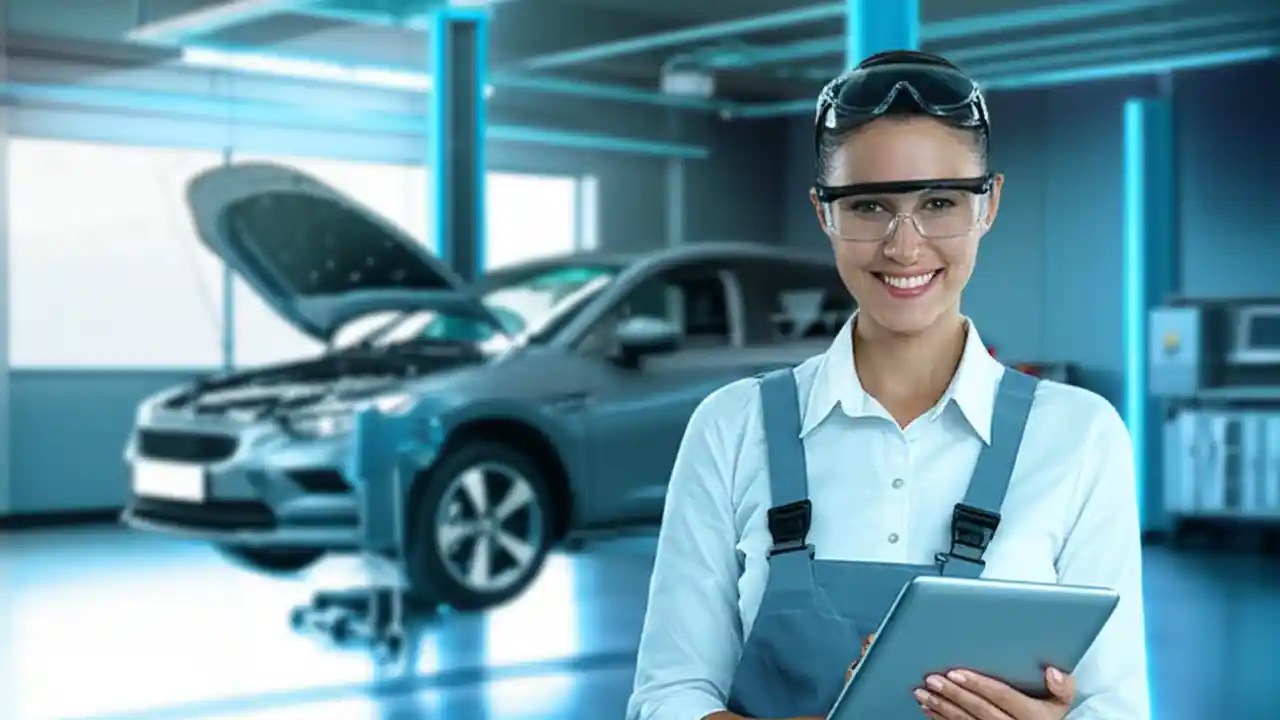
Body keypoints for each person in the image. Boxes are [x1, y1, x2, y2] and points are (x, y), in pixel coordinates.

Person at [625, 50, 1150, 720]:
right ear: (824, 212)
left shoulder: (1080, 436)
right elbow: (667, 696)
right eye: (869, 206)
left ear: (989, 204)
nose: (905, 247)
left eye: (939, 203)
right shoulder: (732, 428)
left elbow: (1116, 708)